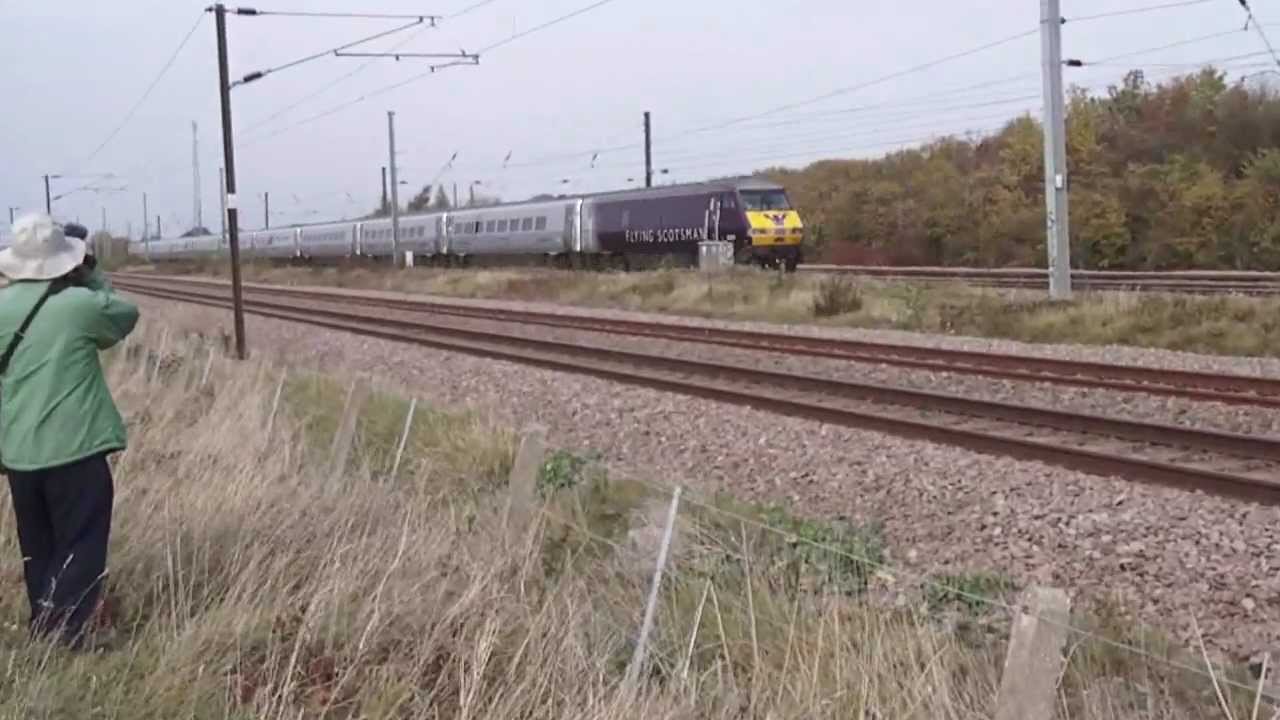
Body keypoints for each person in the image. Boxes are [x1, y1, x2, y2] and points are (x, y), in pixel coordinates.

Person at [0, 213, 139, 647]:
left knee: (37, 546)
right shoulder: (79, 305)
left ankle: (44, 627)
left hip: (19, 451)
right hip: (75, 449)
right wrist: (92, 273)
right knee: (81, 543)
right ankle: (69, 634)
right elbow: (124, 315)